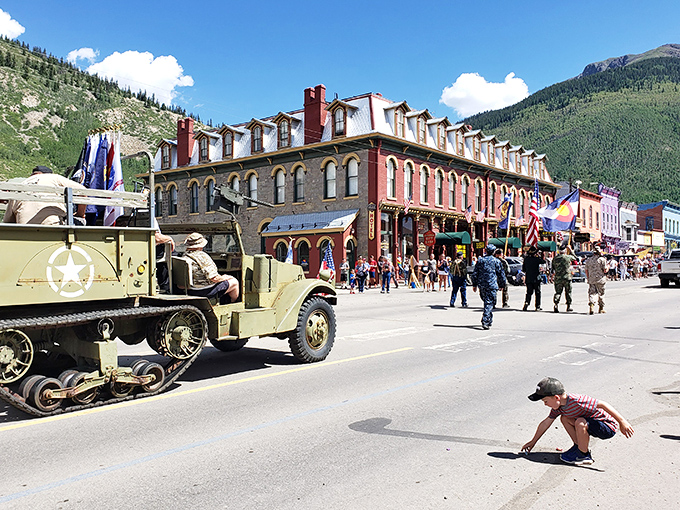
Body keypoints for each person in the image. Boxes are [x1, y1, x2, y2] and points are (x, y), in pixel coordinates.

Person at [521, 377, 634, 465]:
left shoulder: (578, 400)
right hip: (590, 423)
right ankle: (578, 446)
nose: (545, 405)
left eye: (545, 401)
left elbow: (603, 404)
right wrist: (533, 441)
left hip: (606, 426)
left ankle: (583, 454)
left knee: (580, 421)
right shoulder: (558, 408)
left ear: (556, 398)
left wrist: (622, 422)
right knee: (564, 418)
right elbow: (546, 423)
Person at [3, 166, 87, 225]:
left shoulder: (21, 185)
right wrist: (80, 214)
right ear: (48, 174)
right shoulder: (54, 178)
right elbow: (83, 191)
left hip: (25, 233)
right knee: (79, 221)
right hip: (52, 227)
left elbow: (8, 222)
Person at [182, 232, 239, 304]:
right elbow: (214, 278)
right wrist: (226, 277)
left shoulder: (185, 255)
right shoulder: (203, 256)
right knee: (234, 282)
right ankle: (232, 304)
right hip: (203, 291)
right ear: (201, 245)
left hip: (189, 290)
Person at [470, 244, 506, 330]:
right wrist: (502, 284)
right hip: (491, 285)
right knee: (489, 303)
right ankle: (485, 321)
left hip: (482, 285)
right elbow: (501, 274)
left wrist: (474, 284)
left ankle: (489, 319)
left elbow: (475, 273)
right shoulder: (496, 261)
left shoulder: (481, 260)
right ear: (493, 252)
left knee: (488, 302)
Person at [552, 245, 576, 313]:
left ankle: (556, 304)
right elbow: (575, 258)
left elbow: (553, 267)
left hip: (558, 277)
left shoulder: (555, 258)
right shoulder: (568, 257)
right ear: (565, 251)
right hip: (567, 277)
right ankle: (569, 305)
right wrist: (570, 250)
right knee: (568, 292)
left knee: (558, 292)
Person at [585, 245, 608, 314]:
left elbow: (586, 270)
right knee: (601, 293)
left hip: (592, 279)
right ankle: (601, 308)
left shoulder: (589, 260)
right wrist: (608, 267)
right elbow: (605, 270)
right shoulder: (602, 260)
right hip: (600, 279)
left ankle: (591, 304)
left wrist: (588, 278)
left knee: (592, 293)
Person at [522, 246, 543, 311]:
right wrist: (539, 256)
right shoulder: (537, 259)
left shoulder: (526, 259)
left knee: (529, 292)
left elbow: (524, 269)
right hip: (536, 278)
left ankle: (527, 302)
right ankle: (537, 306)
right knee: (537, 292)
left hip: (529, 278)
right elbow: (543, 261)